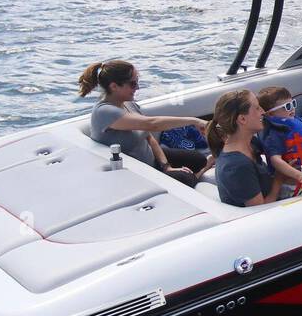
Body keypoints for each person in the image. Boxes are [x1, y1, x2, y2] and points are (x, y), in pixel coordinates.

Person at [79, 60, 210, 187]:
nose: (137, 87)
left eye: (137, 82)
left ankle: (198, 169)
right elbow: (152, 124)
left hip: (151, 160)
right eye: (133, 84)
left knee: (199, 160)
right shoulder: (105, 112)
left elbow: (149, 137)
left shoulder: (128, 103)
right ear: (114, 86)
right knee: (186, 178)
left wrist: (166, 167)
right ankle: (200, 173)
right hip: (137, 173)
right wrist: (194, 121)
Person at [205, 89, 278, 208]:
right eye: (257, 108)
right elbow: (259, 211)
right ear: (242, 119)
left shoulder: (251, 143)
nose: (263, 112)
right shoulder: (237, 166)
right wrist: (279, 179)